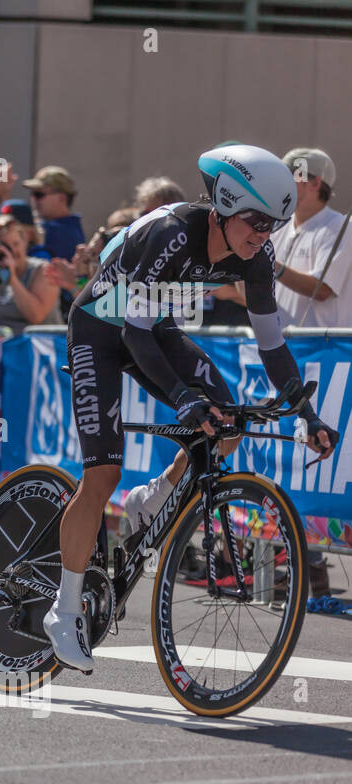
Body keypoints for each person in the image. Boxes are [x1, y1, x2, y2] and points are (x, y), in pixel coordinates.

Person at [46, 144, 339, 671]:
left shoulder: (257, 259)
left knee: (226, 423)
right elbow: (131, 331)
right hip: (101, 330)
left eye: (273, 225)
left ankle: (154, 497)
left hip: (155, 329)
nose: (263, 235)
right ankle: (63, 611)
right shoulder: (171, 233)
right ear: (224, 205)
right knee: (103, 473)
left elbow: (272, 345)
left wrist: (307, 414)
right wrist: (183, 398)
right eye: (255, 222)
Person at [271, 147, 349, 329]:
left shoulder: (340, 227)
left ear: (315, 183)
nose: (282, 183)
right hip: (281, 347)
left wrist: (268, 263)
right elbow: (252, 297)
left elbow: (322, 289)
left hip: (321, 353)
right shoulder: (278, 226)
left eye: (291, 175)